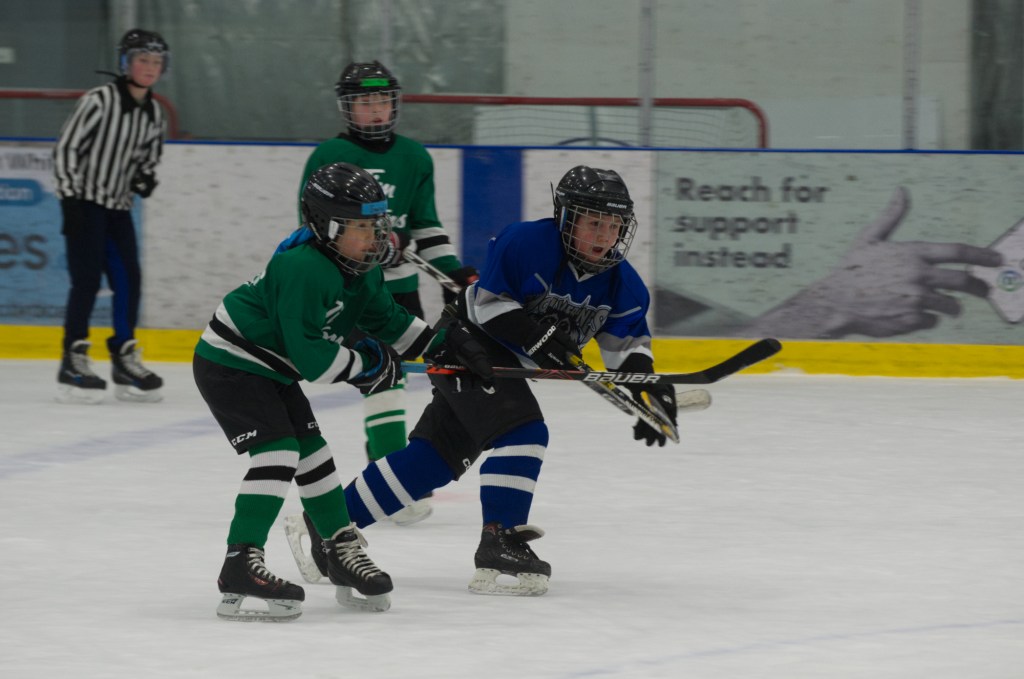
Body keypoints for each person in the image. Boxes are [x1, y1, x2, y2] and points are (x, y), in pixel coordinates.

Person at [292, 165, 680, 597]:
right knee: (524, 431)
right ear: (566, 217)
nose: (604, 236)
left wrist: (646, 386)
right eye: (594, 223)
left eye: (613, 225)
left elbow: (625, 348)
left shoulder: (625, 284)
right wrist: (539, 339)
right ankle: (500, 540)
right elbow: (490, 307)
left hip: (505, 365)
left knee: (434, 459)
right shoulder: (526, 242)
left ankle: (329, 523)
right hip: (466, 346)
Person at [193, 162, 491, 621]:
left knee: (314, 455)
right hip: (230, 362)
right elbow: (312, 358)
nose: (375, 237)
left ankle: (337, 548)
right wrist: (366, 365)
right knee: (279, 453)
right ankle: (239, 564)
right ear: (327, 227)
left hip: (270, 368)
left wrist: (446, 346)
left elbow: (387, 320)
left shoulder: (361, 268)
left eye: (377, 225)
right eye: (361, 227)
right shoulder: (301, 267)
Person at [297, 60, 479, 525]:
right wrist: (367, 251)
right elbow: (313, 228)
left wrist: (454, 274)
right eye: (365, 102)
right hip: (355, 293)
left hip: (400, 293)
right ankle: (391, 481)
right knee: (384, 380)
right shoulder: (329, 155)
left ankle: (393, 469)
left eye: (382, 101)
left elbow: (426, 226)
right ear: (348, 107)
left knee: (416, 376)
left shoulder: (415, 157)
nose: (375, 110)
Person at [53, 29, 170, 405]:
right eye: (142, 60)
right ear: (126, 63)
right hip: (84, 204)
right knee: (86, 281)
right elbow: (67, 149)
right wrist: (69, 198)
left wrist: (145, 176)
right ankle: (73, 358)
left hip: (119, 210)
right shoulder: (98, 101)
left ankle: (123, 357)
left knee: (129, 280)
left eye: (156, 62)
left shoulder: (154, 112)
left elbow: (149, 157)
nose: (150, 68)